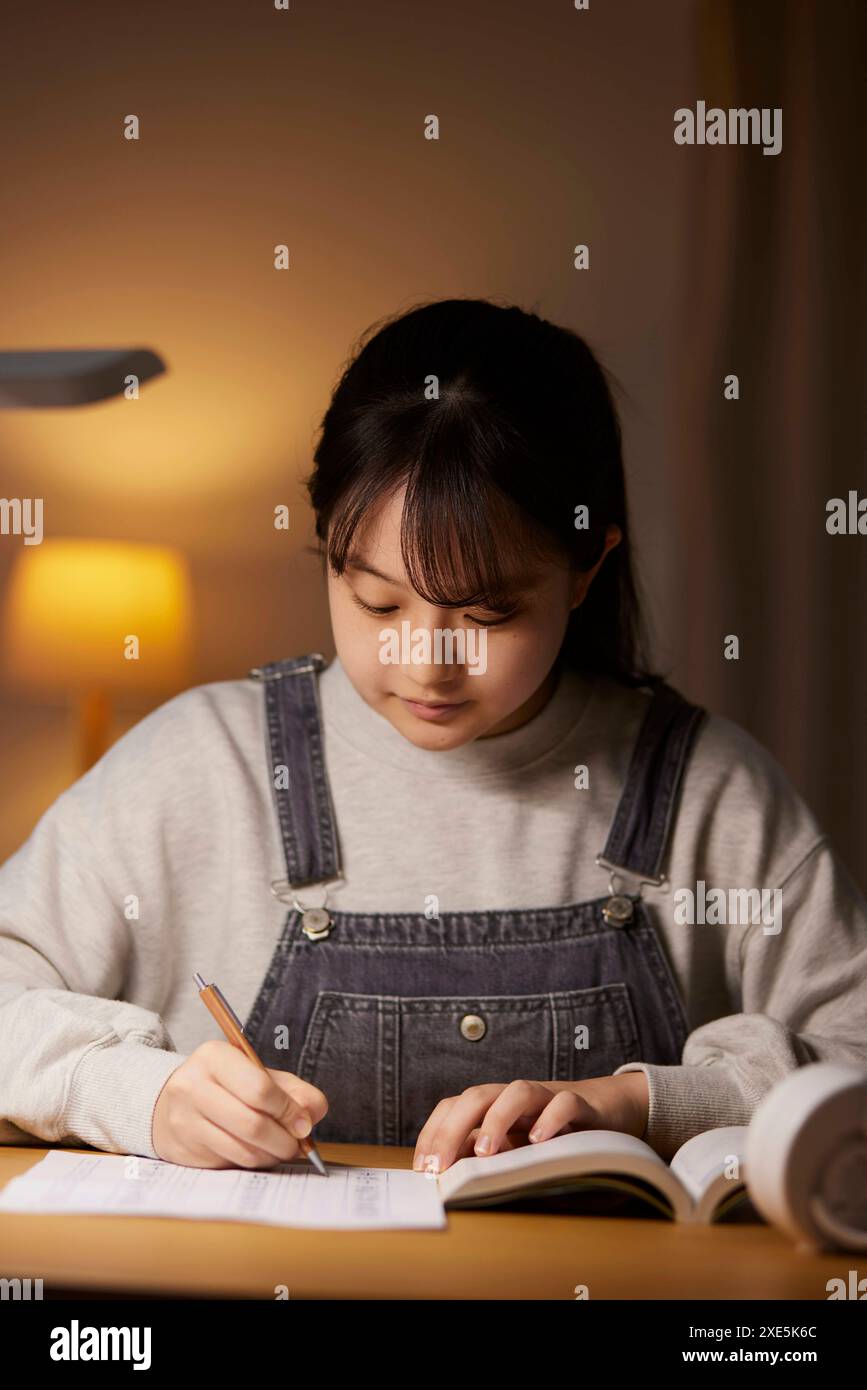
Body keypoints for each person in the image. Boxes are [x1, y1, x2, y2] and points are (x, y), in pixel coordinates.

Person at [1, 298, 865, 1178]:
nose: (426, 664)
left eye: (489, 612)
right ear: (329, 547)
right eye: (377, 603)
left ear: (584, 569)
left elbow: (853, 1059)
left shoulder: (708, 792)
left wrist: (644, 1105)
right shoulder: (198, 764)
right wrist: (137, 1095)